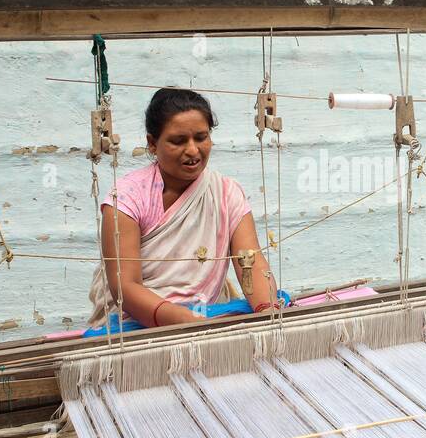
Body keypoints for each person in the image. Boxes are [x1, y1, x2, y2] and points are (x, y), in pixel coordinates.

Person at [87, 87, 282, 330]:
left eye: (201, 138)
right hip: (136, 325)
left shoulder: (226, 193)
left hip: (202, 320)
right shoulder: (127, 199)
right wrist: (179, 319)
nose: (192, 150)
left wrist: (269, 312)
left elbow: (250, 262)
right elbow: (125, 286)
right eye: (178, 141)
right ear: (152, 143)